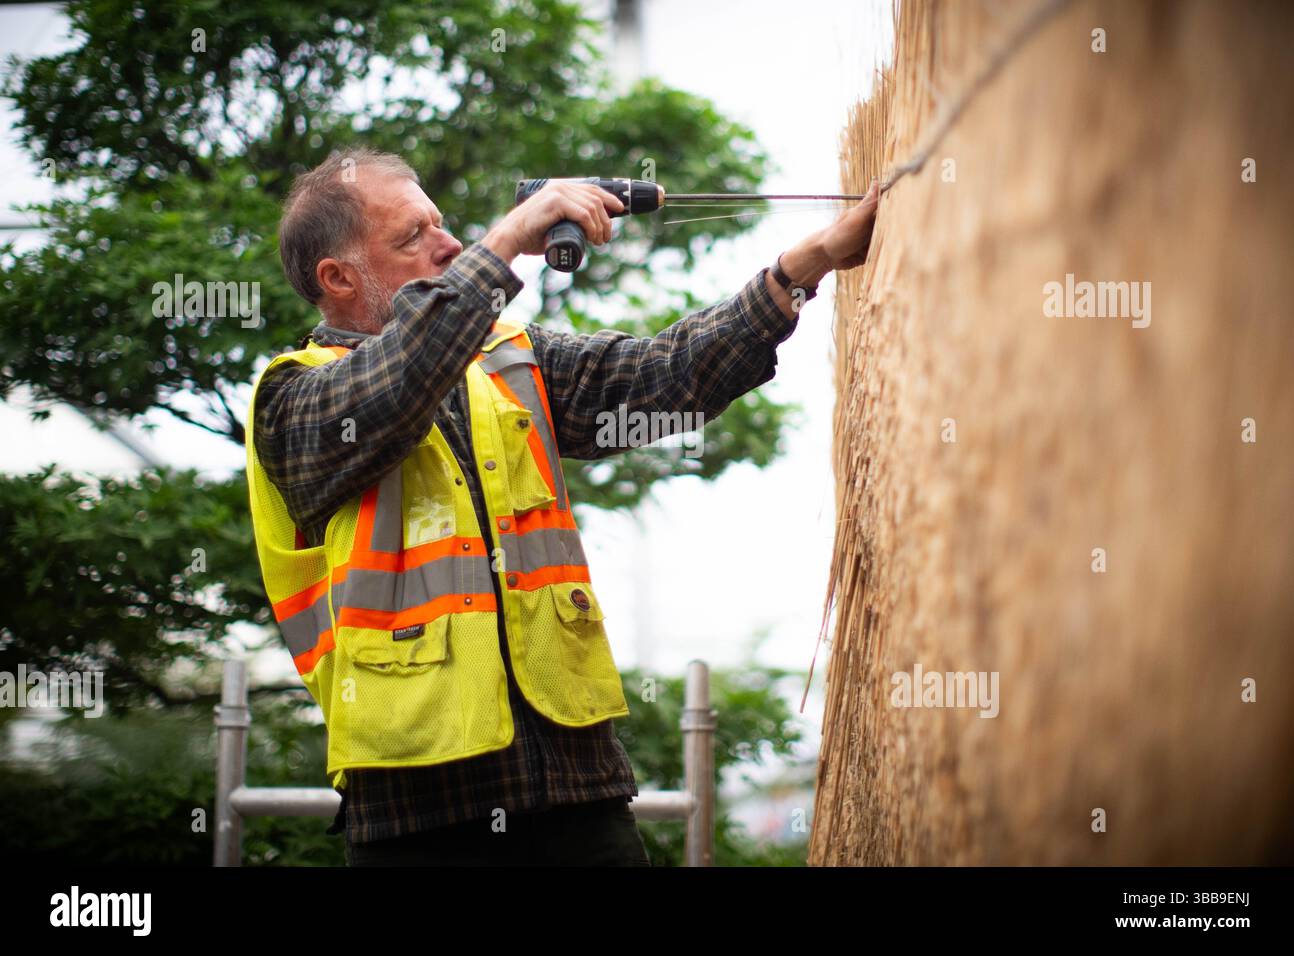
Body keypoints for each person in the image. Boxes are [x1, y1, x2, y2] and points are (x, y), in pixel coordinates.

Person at [245, 147, 879, 866]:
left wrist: (803, 270)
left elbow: (668, 374)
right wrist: (510, 240)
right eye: (412, 237)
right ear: (338, 278)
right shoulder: (295, 398)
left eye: (441, 225)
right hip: (419, 812)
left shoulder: (510, 360)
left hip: (576, 787)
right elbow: (398, 383)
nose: (448, 245)